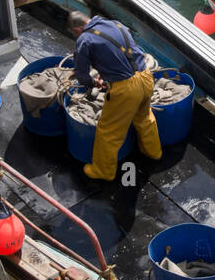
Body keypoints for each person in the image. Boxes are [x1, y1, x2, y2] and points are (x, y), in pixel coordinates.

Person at [67, 10, 162, 181]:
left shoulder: (84, 39)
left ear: (77, 30)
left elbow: (82, 74)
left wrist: (92, 83)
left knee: (108, 131)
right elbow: (126, 53)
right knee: (145, 117)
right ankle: (154, 152)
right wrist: (107, 74)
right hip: (146, 76)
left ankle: (103, 171)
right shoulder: (115, 24)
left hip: (126, 90)